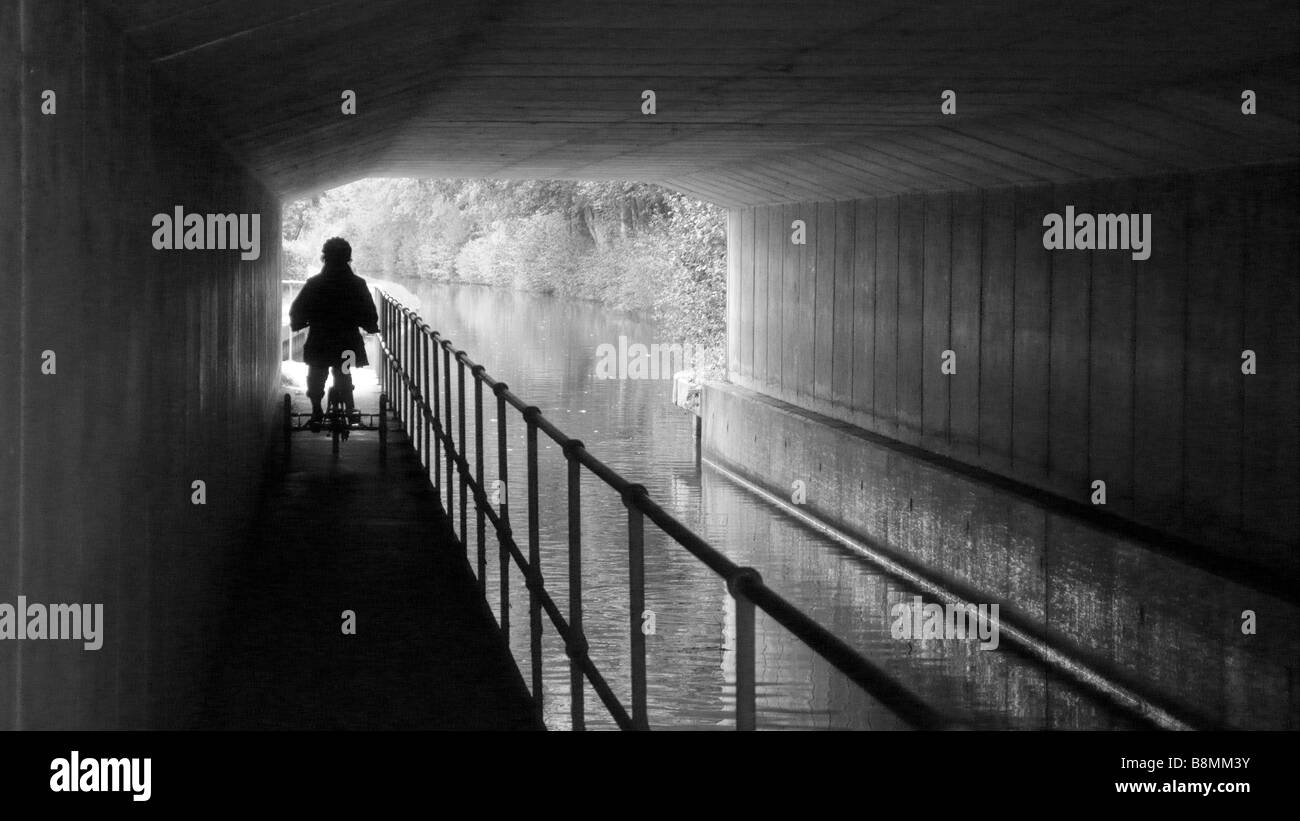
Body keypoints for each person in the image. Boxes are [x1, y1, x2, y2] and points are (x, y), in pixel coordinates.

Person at [288, 237, 379, 430]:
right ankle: (349, 408)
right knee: (344, 372)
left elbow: (297, 310)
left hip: (319, 341)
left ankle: (316, 411)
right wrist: (370, 326)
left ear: (324, 258)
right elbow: (369, 312)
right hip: (347, 342)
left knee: (315, 376)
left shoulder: (314, 284)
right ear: (348, 258)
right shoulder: (358, 284)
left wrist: (298, 323)